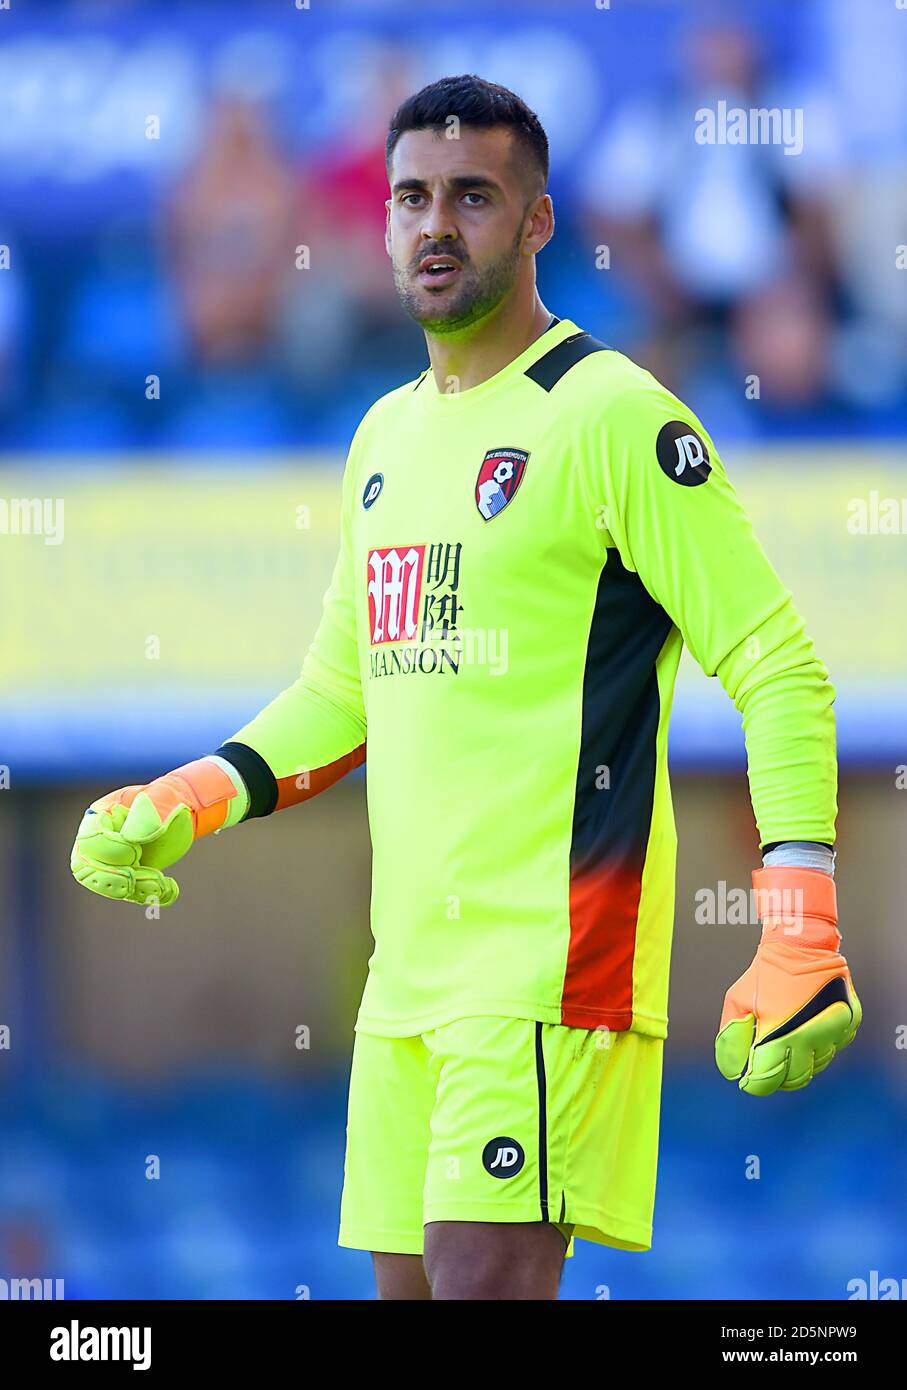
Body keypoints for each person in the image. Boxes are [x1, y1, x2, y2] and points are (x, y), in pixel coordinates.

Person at [71, 75, 861, 1302]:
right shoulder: (381, 436)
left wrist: (799, 915)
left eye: (473, 197)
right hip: (405, 991)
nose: (434, 225)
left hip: (550, 971)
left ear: (538, 220)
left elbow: (778, 662)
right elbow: (342, 697)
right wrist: (192, 793)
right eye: (410, 198)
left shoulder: (613, 414)